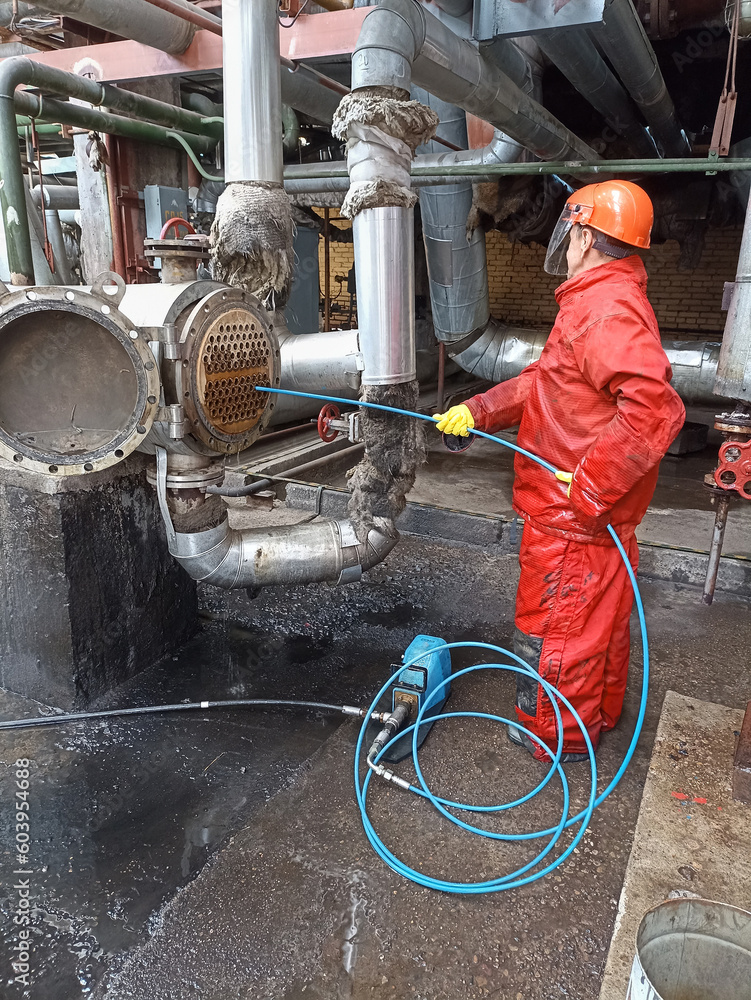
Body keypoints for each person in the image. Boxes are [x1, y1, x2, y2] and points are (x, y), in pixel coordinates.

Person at [434, 180, 685, 763]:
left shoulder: (602, 308)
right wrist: (477, 410)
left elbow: (655, 408)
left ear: (585, 236)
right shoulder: (597, 299)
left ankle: (555, 738)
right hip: (591, 524)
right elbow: (546, 384)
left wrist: (592, 483)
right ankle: (596, 717)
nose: (564, 243)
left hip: (571, 521)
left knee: (554, 632)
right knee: (599, 629)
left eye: (569, 232)